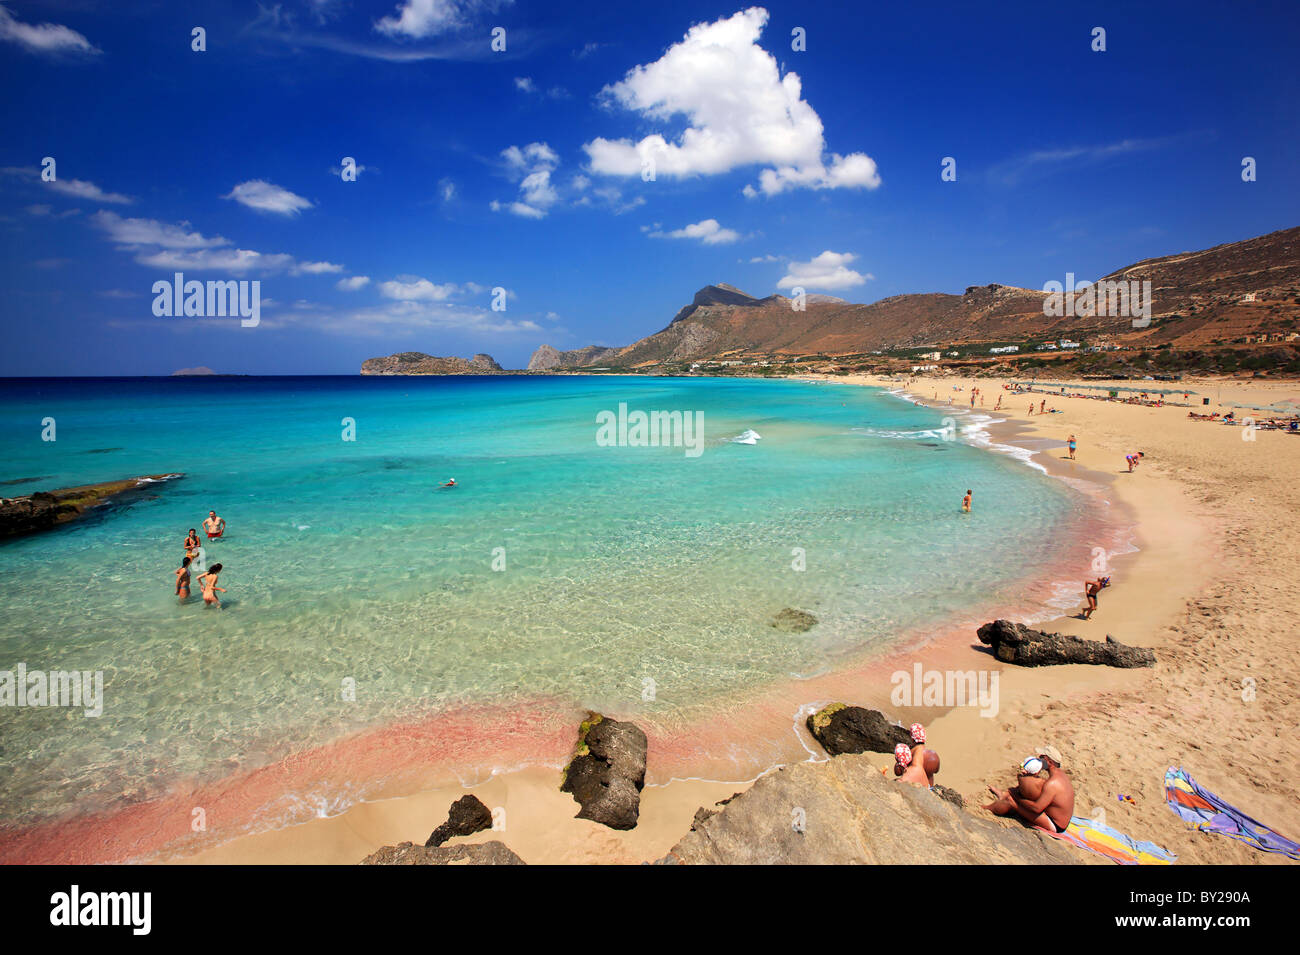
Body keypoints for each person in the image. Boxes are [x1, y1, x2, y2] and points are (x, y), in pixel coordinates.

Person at [983, 745, 1075, 833]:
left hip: (1055, 825)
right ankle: (1003, 794)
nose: (1039, 757)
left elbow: (1037, 808)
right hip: (1056, 815)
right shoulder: (1061, 776)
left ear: (1050, 762)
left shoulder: (1052, 783)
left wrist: (1017, 798)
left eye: (1042, 757)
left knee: (1011, 801)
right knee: (1020, 791)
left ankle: (985, 809)